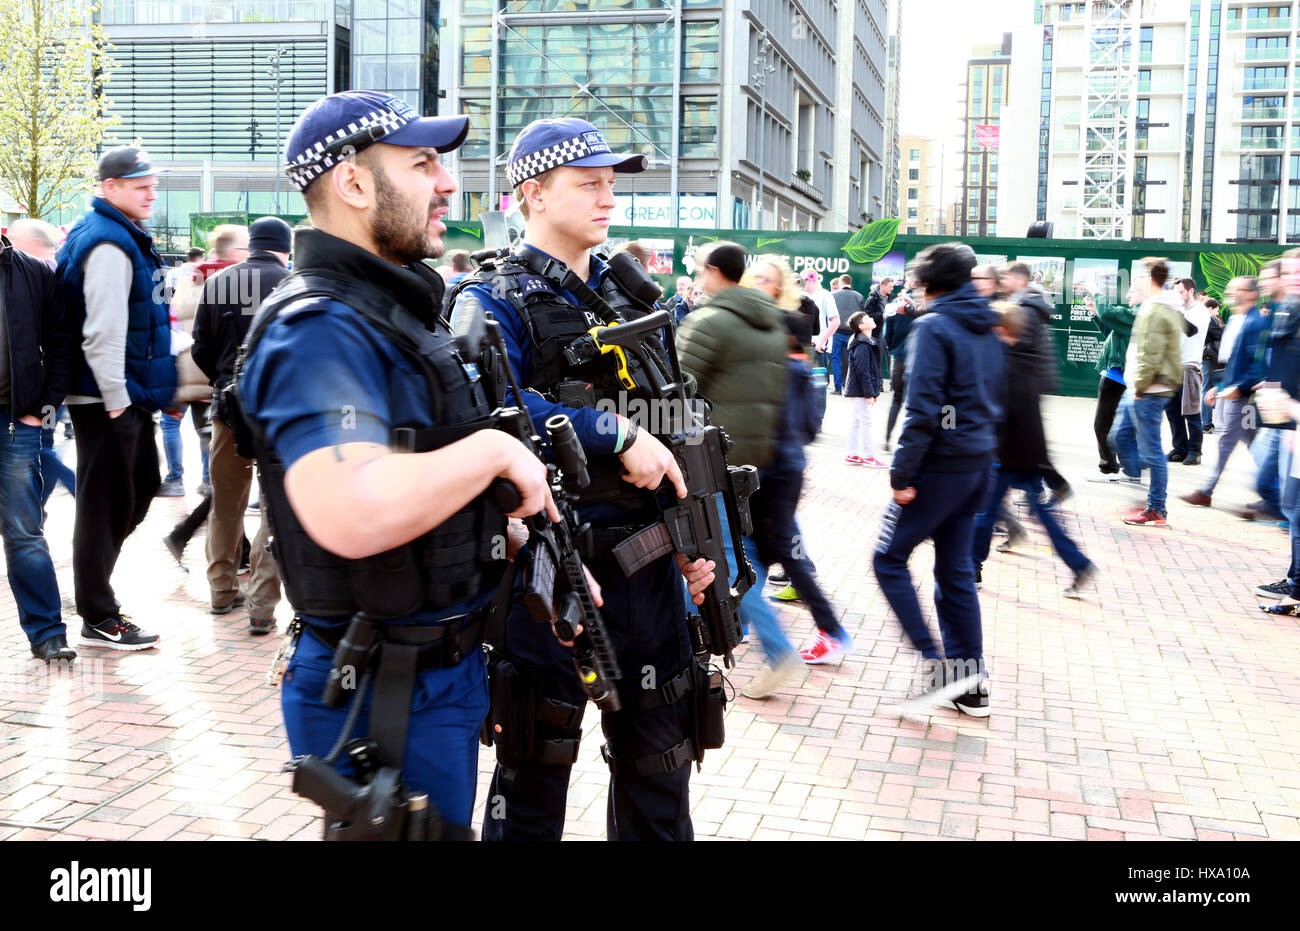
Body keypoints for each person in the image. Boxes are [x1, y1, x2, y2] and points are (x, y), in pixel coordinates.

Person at [238, 90, 559, 836]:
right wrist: (492, 451)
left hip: (430, 672)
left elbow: (410, 462)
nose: (446, 183)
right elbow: (352, 507)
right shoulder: (320, 327)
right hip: (382, 687)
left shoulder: (389, 313)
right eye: (421, 164)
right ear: (353, 183)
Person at [447, 116, 715, 841]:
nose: (608, 198)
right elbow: (479, 405)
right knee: (534, 771)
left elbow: (679, 422)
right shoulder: (491, 295)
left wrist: (699, 542)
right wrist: (611, 431)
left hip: (652, 570)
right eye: (588, 183)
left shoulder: (634, 294)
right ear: (533, 194)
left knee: (661, 769)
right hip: (549, 579)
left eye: (611, 183)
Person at [872, 243, 1004, 717]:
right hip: (977, 466)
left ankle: (937, 668)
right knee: (955, 574)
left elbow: (923, 408)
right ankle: (972, 684)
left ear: (929, 285)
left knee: (888, 559)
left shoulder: (933, 326)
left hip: (939, 468)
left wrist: (903, 472)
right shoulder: (989, 323)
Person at [56, 145, 177, 651]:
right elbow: (102, 331)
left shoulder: (120, 235)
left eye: (152, 182)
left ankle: (92, 582)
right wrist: (116, 399)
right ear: (110, 188)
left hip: (121, 393)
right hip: (108, 396)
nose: (151, 191)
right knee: (105, 505)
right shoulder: (108, 243)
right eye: (138, 184)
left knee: (138, 488)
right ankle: (98, 613)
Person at [677, 241, 795, 699]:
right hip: (757, 463)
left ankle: (778, 650)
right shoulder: (770, 322)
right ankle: (723, 631)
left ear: (712, 272)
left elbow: (674, 391)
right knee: (741, 554)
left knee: (725, 562)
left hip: (712, 465)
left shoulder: (709, 321)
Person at [741, 257, 852, 664]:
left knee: (776, 549)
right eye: (754, 277)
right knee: (760, 547)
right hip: (777, 464)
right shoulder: (786, 344)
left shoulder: (783, 334)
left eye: (766, 279)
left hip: (775, 465)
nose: (758, 284)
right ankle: (749, 622)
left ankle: (830, 630)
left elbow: (793, 418)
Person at [189, 216, 291, 632]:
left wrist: (222, 381)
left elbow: (200, 346)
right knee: (273, 505)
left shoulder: (220, 282)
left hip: (226, 405)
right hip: (276, 408)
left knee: (226, 502)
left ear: (253, 246)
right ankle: (263, 607)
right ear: (283, 248)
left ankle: (220, 590)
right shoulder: (291, 283)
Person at [972, 302, 1097, 597]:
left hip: (1006, 454)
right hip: (1027, 453)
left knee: (985, 511)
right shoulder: (1025, 358)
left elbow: (1001, 412)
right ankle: (1079, 564)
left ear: (1000, 329)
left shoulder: (1005, 363)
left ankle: (970, 567)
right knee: (1039, 513)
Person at [1, 231, 76, 662]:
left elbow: (62, 343)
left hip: (16, 422)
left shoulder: (31, 273)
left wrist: (43, 409)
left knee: (24, 531)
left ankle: (48, 632)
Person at [160, 225, 247, 497]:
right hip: (214, 369)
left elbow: (172, 317)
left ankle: (174, 479)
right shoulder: (236, 281)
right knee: (209, 429)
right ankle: (209, 481)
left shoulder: (189, 278)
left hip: (183, 366)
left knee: (170, 424)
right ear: (233, 252)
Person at [1181, 275, 1271, 512]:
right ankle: (1274, 495)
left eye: (1238, 289)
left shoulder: (1255, 323)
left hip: (1245, 399)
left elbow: (1257, 365)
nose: (1232, 292)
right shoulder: (1235, 322)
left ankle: (1208, 492)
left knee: (1241, 445)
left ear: (1251, 294)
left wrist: (1235, 390)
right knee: (1250, 444)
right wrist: (1219, 388)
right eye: (1231, 288)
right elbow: (1233, 364)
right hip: (1235, 395)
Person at [1109, 259, 1184, 527]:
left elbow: (1151, 353)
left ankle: (1156, 508)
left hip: (1148, 389)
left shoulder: (1156, 308)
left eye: (1140, 276)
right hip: (1144, 387)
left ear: (1149, 279)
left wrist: (1140, 387)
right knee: (1120, 435)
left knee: (1152, 451)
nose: (1137, 281)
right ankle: (1144, 493)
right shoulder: (1162, 306)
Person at [8, 219, 76, 502]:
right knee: (42, 448)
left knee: (43, 448)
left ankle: (76, 489)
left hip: (41, 394)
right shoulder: (46, 271)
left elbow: (59, 341)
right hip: (42, 393)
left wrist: (44, 404)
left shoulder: (40, 273)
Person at [1000, 262, 1072, 507]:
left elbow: (1019, 345)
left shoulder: (1027, 307)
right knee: (1027, 442)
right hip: (1026, 382)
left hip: (1026, 383)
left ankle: (1052, 487)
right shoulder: (1026, 303)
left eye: (1008, 277)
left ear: (1020, 280)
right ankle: (1036, 489)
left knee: (1031, 443)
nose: (1004, 282)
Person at [1256, 251, 1300, 608]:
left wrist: (1292, 411)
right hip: (1293, 427)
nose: (1294, 276)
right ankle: (1295, 582)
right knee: (1293, 506)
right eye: (1291, 270)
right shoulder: (1289, 313)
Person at [1085, 286, 1137, 478]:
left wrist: (1098, 293)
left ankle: (1109, 468)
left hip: (1118, 376)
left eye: (1133, 291)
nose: (1128, 294)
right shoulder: (1134, 314)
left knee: (1103, 424)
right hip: (1117, 374)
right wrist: (1094, 313)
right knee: (1120, 425)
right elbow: (1110, 333)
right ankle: (1130, 466)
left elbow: (1108, 314)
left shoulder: (1137, 314)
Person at [1165, 278, 1209, 466]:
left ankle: (1194, 451)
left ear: (1191, 291)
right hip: (1171, 367)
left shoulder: (1200, 311)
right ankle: (1179, 448)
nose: (1178, 296)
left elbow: (1191, 330)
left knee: (1191, 412)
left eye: (1180, 292)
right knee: (1172, 412)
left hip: (1189, 367)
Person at [882, 278, 921, 451]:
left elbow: (887, 332)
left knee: (897, 399)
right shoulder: (926, 305)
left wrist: (893, 348)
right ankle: (906, 442)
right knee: (915, 402)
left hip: (898, 357)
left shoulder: (897, 304)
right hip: (918, 358)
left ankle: (888, 438)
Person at [844, 310, 885, 468]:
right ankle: (868, 456)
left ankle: (852, 454)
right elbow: (864, 372)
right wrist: (869, 394)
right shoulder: (862, 345)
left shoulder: (867, 342)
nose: (871, 318)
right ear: (861, 326)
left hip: (859, 389)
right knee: (865, 421)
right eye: (867, 318)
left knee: (857, 421)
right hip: (860, 390)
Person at [828, 273, 869, 393]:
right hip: (852, 333)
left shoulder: (833, 295)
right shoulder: (859, 296)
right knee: (853, 360)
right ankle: (850, 387)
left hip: (836, 332)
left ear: (840, 283)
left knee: (835, 359)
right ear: (850, 283)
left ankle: (837, 387)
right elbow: (863, 315)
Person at [807, 271, 839, 389]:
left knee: (818, 389)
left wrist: (821, 342)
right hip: (801, 347)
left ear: (812, 279)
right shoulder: (798, 294)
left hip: (818, 349)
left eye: (804, 279)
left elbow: (836, 321)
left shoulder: (825, 295)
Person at [1201, 298, 1224, 434]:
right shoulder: (1208, 319)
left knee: (1207, 388)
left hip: (1208, 358)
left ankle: (1206, 422)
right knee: (1206, 389)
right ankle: (1206, 423)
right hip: (1208, 358)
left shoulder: (1208, 319)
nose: (1217, 312)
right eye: (1217, 309)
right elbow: (1219, 334)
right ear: (1210, 308)